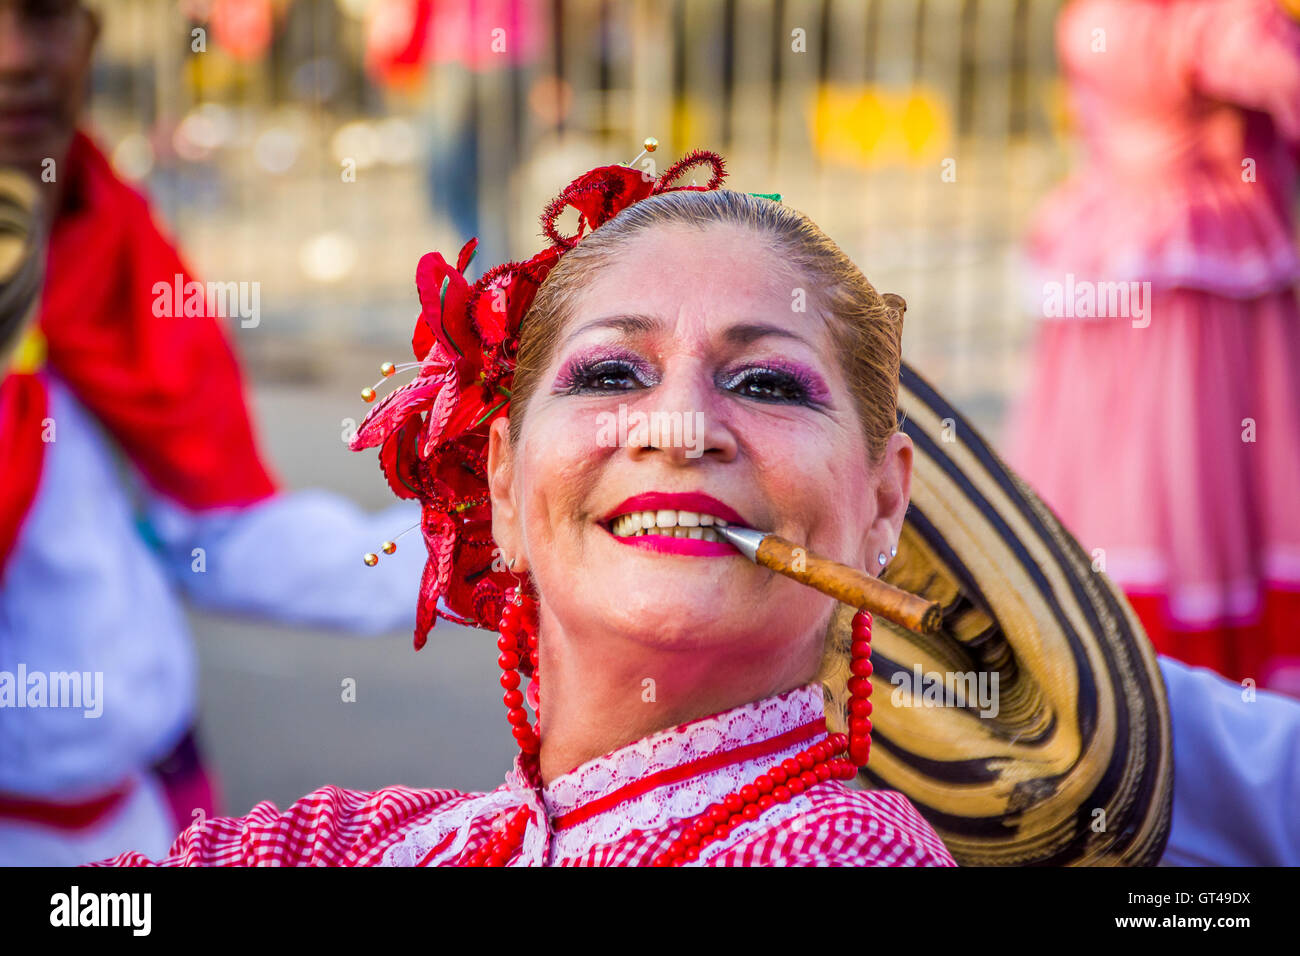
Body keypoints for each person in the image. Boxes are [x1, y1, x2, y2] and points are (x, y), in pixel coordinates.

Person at [91, 153, 959, 866]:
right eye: (612, 373)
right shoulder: (365, 841)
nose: (682, 427)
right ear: (503, 483)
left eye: (765, 383)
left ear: (884, 501)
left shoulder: (844, 849)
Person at [0, 0, 424, 866]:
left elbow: (214, 533)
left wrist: (492, 534)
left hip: (139, 825)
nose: (14, 57)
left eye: (41, 14)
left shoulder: (116, 253)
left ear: (89, 35)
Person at [1004, 0, 1300, 695]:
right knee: (1186, 461)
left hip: (1111, 236)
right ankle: (1192, 669)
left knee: (1112, 460)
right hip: (1194, 257)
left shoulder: (1102, 14)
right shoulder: (1217, 20)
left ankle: (1092, 656)